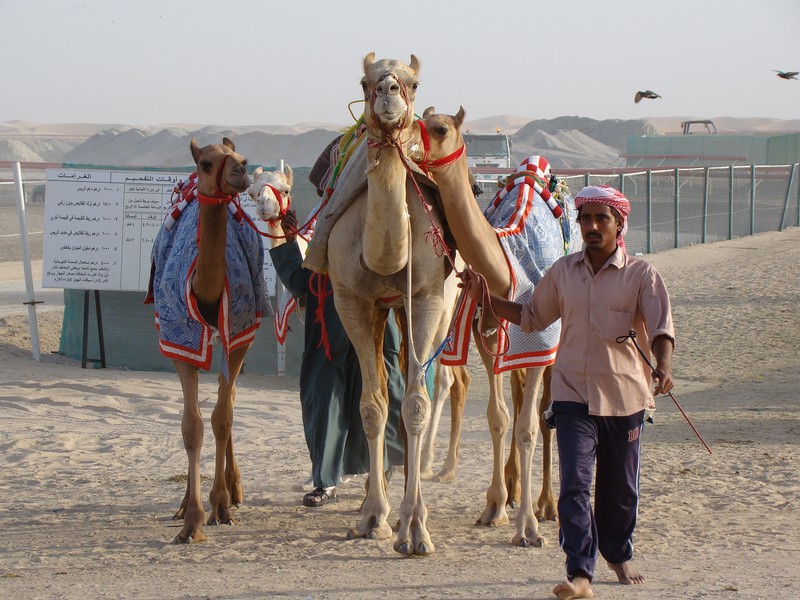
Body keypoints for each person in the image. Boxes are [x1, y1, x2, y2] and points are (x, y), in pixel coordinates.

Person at [458, 185, 675, 600]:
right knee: (574, 485)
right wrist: (484, 297)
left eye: (601, 219)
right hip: (573, 395)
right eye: (586, 220)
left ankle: (618, 554)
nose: (592, 227)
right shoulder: (561, 272)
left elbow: (661, 326)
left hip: (625, 397)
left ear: (618, 225)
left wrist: (663, 366)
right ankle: (580, 574)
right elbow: (530, 316)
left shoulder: (642, 275)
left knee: (620, 488)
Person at [269, 208, 405, 507]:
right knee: (324, 402)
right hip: (328, 339)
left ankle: (380, 479)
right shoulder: (323, 232)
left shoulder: (380, 233)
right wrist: (289, 239)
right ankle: (326, 483)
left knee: (386, 399)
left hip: (376, 336)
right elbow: (301, 282)